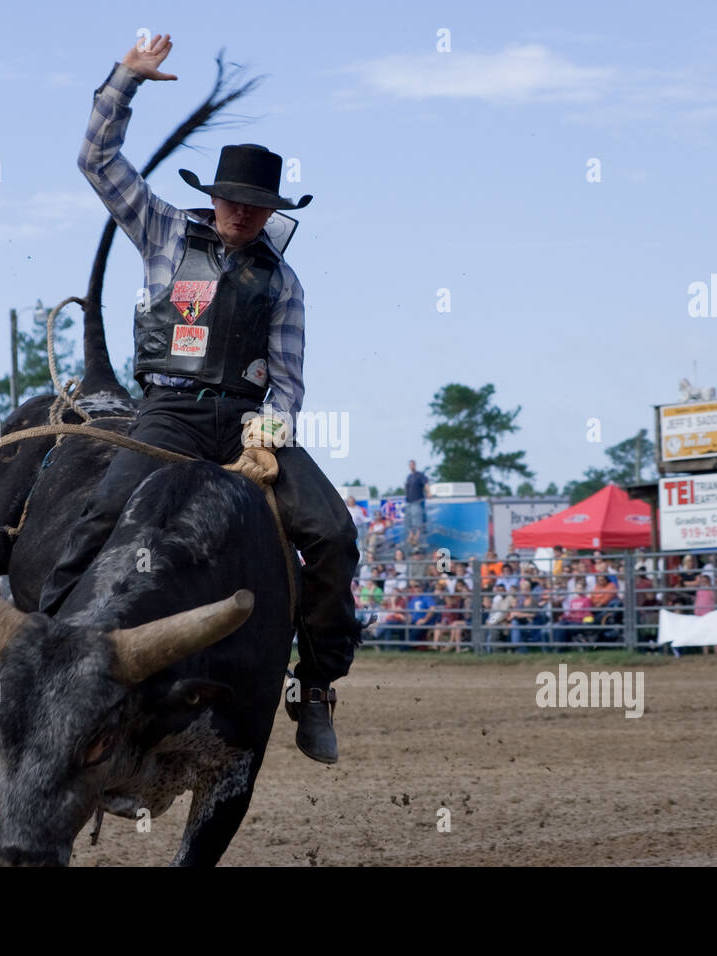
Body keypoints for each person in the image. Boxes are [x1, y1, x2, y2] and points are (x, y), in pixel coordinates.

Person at [34, 32, 359, 765]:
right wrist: (126, 80)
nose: (241, 213)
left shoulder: (284, 282)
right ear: (213, 198)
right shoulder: (159, 231)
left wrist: (267, 437)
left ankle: (315, 685)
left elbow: (289, 379)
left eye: (255, 204)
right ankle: (42, 641)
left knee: (334, 535)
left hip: (248, 427)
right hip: (170, 414)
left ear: (270, 208)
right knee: (104, 511)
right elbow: (96, 161)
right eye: (232, 200)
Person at [404, 459, 429, 547]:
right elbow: (406, 487)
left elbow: (426, 484)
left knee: (417, 520)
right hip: (409, 501)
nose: (411, 466)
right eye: (410, 465)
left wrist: (429, 493)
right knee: (408, 520)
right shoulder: (409, 476)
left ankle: (417, 536)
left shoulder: (420, 475)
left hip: (417, 501)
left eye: (413, 465)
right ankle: (411, 535)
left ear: (415, 465)